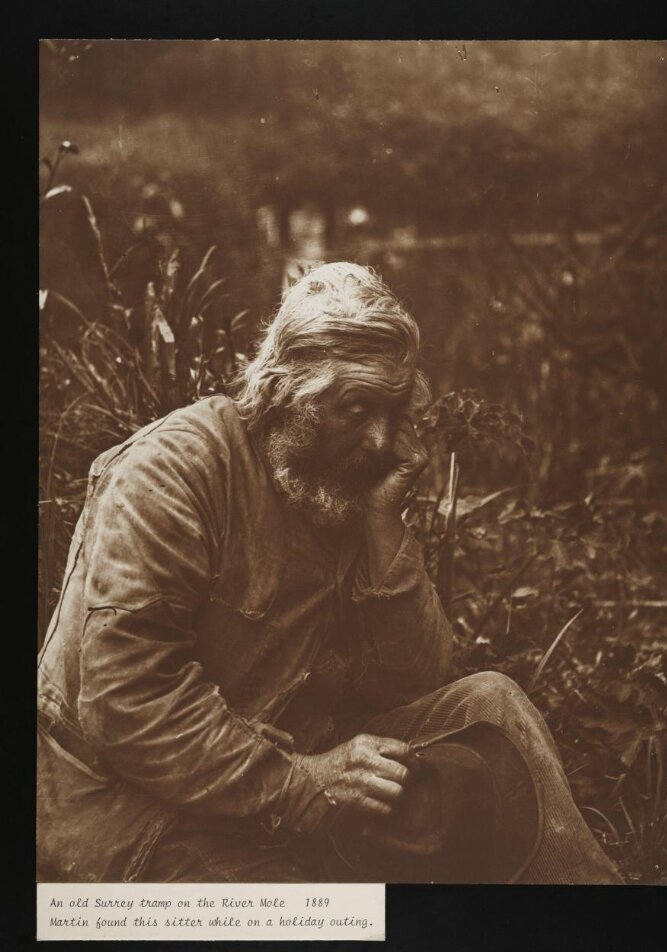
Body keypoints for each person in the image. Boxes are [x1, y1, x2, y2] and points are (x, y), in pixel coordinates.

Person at [37, 262, 621, 884]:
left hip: (278, 763)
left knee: (491, 703)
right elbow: (126, 701)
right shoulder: (173, 472)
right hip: (127, 809)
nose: (380, 440)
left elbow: (412, 680)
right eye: (356, 407)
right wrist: (306, 782)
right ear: (283, 390)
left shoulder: (332, 483)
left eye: (394, 411)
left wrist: (382, 524)